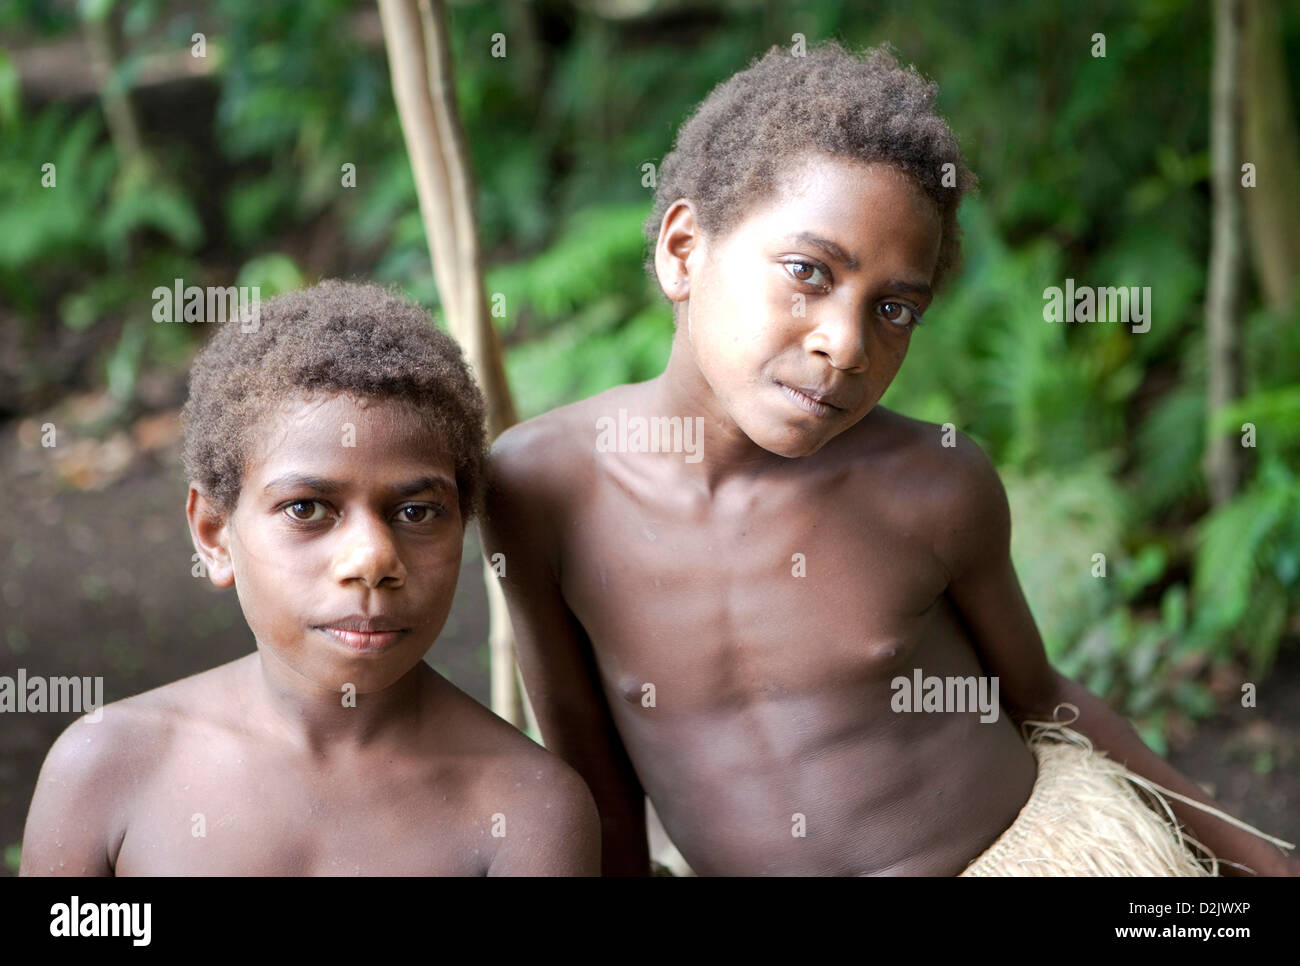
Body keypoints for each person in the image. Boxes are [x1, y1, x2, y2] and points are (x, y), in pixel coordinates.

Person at [482, 41, 1295, 876]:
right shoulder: (538, 488)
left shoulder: (932, 485)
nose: (845, 344)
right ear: (683, 250)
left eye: (896, 310)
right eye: (808, 271)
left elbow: (1042, 698)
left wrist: (1264, 867)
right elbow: (592, 775)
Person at [21, 280, 599, 876]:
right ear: (215, 534)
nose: (373, 558)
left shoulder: (528, 810)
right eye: (307, 508)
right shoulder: (107, 768)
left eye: (416, 512)